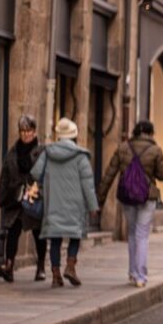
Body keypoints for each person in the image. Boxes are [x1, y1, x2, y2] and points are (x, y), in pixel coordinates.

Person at [98, 120, 163, 288]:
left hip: (128, 196)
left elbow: (109, 174)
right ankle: (141, 276)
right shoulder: (155, 150)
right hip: (147, 196)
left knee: (132, 232)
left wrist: (100, 198)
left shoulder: (123, 148)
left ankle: (132, 271)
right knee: (142, 234)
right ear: (150, 133)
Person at [32, 119, 99, 288]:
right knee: (75, 235)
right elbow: (88, 184)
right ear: (74, 136)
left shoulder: (48, 153)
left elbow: (35, 173)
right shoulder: (80, 156)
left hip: (53, 203)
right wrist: (93, 206)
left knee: (55, 239)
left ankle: (55, 275)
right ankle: (70, 266)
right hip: (75, 206)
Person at [0, 114, 46, 282]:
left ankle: (41, 266)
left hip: (34, 197)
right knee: (13, 231)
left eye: (28, 131)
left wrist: (39, 191)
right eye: (22, 131)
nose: (25, 134)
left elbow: (46, 175)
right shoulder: (13, 151)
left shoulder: (41, 151)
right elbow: (5, 175)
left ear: (34, 132)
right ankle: (9, 266)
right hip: (16, 198)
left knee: (38, 232)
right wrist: (0, 198)